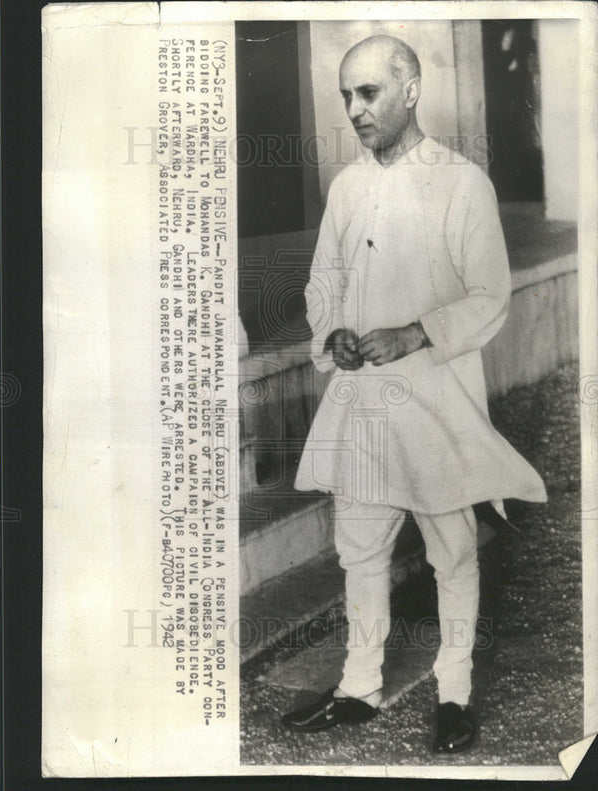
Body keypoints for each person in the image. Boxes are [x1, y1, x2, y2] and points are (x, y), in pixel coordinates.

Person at [282, 35, 547, 752]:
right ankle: (359, 686)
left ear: (410, 89)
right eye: (346, 96)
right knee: (359, 546)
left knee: (451, 549)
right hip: (363, 403)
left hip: (437, 400)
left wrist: (415, 333)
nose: (354, 109)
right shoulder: (346, 187)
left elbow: (490, 295)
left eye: (368, 93)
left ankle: (454, 691)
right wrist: (334, 333)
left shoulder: (462, 183)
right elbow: (322, 283)